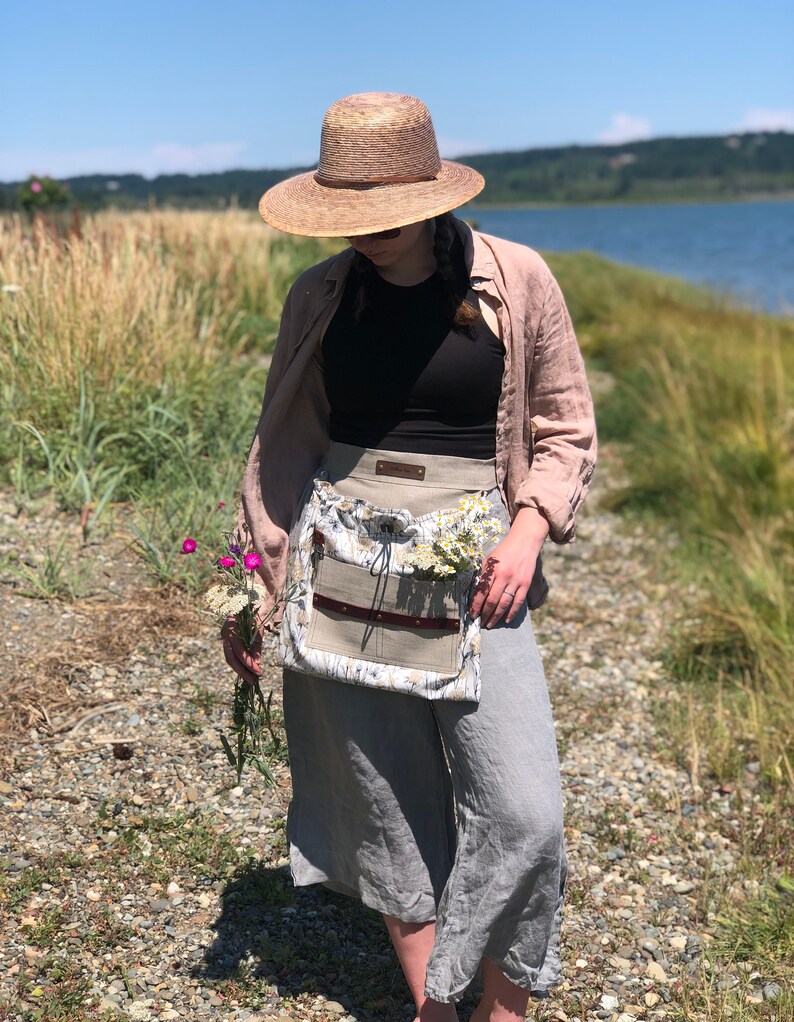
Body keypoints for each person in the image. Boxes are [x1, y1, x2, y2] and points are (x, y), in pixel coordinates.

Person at [222, 92, 596, 1022]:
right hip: (338, 559)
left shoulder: (516, 277)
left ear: (432, 195)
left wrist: (528, 526)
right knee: (387, 809)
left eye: (384, 214)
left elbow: (565, 429)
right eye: (348, 214)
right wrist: (254, 590)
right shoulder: (319, 294)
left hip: (477, 567)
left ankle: (500, 1008)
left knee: (523, 813)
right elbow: (285, 449)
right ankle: (436, 1007)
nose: (368, 234)